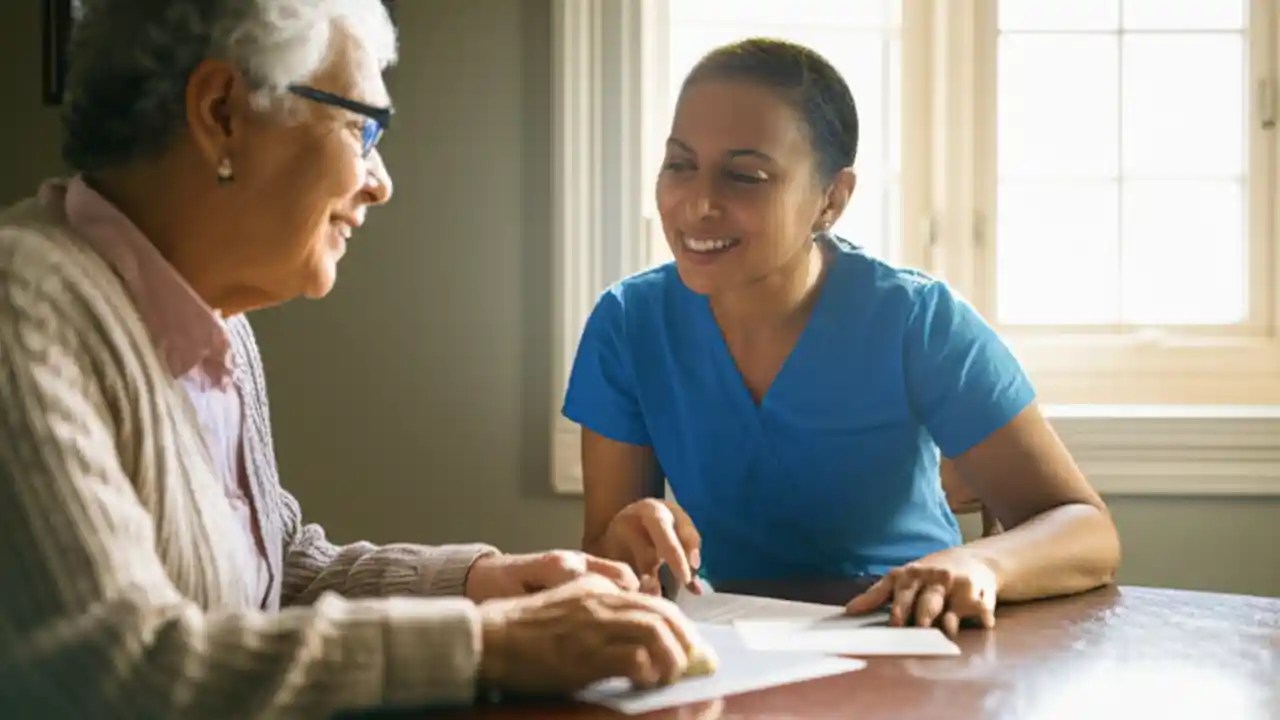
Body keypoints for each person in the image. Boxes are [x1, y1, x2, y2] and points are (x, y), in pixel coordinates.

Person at [0, 1, 709, 716]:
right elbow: (112, 670)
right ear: (220, 112)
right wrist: (487, 643)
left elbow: (277, 578)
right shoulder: (21, 311)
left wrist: (483, 582)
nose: (379, 180)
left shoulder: (215, 323)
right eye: (360, 127)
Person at [565, 38, 1122, 635]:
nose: (698, 203)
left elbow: (1086, 529)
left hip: (916, 638)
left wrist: (979, 562)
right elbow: (607, 552)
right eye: (680, 164)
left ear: (831, 199)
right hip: (731, 650)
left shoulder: (917, 321)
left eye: (745, 176)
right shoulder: (628, 323)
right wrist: (628, 540)